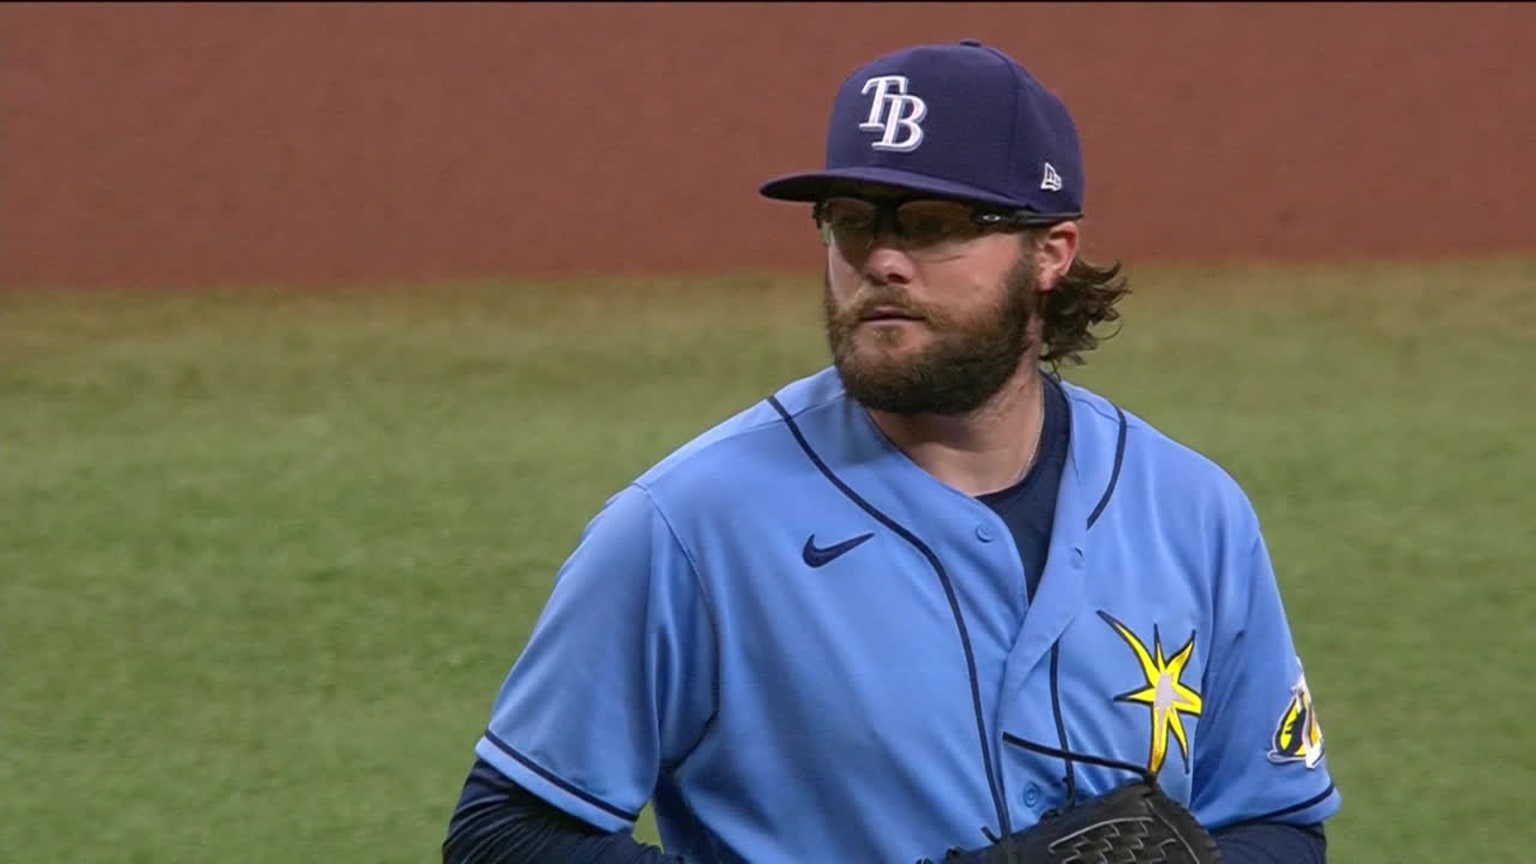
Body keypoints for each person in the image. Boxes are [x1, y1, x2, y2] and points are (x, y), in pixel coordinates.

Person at [442, 39, 1340, 863]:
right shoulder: (692, 525)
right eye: (852, 221)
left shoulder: (1191, 508)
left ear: (1051, 251)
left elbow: (1276, 818)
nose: (881, 260)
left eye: (931, 222)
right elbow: (503, 836)